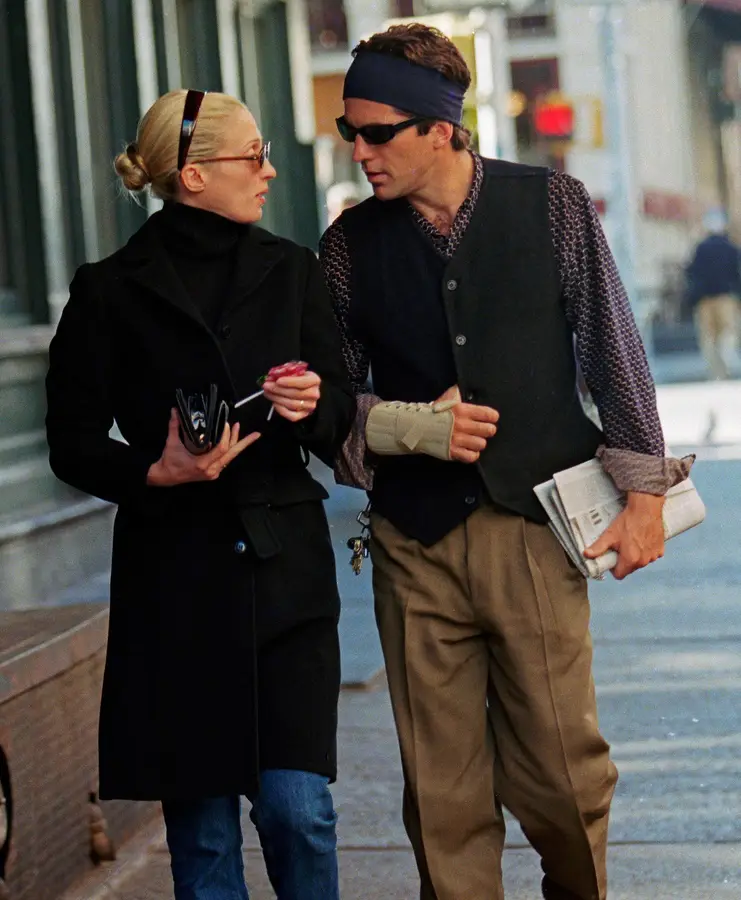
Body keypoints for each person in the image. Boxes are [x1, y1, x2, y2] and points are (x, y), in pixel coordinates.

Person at [319, 24, 693, 900]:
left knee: (563, 776)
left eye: (377, 133)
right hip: (413, 542)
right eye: (349, 133)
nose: (359, 152)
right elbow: (330, 402)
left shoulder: (552, 205)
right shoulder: (346, 247)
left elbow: (612, 350)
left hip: (534, 529)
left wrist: (643, 494)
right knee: (442, 796)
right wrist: (404, 426)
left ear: (439, 127)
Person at [45, 89, 355, 900]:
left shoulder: (292, 270)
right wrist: (156, 471)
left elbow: (337, 417)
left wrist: (309, 402)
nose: (268, 170)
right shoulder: (107, 290)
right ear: (192, 175)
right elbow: (71, 441)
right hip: (173, 581)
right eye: (253, 155)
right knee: (204, 835)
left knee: (298, 811)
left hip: (284, 575)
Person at [685, 208, 741, 380]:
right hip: (726, 297)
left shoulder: (701, 248)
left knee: (708, 337)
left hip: (704, 299)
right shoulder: (732, 248)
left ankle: (715, 372)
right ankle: (727, 361)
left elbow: (691, 272)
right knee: (728, 332)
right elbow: (737, 273)